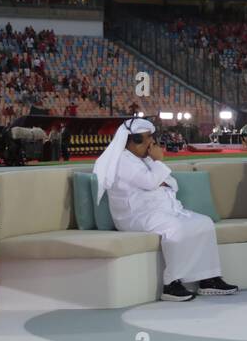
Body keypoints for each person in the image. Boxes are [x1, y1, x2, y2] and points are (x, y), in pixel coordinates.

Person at [93, 117, 238, 301]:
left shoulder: (143, 159)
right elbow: (150, 181)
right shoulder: (123, 160)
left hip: (159, 211)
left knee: (204, 223)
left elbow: (171, 184)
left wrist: (156, 174)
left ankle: (208, 279)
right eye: (146, 138)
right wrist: (158, 163)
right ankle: (171, 284)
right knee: (175, 228)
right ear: (133, 140)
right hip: (135, 215)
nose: (151, 142)